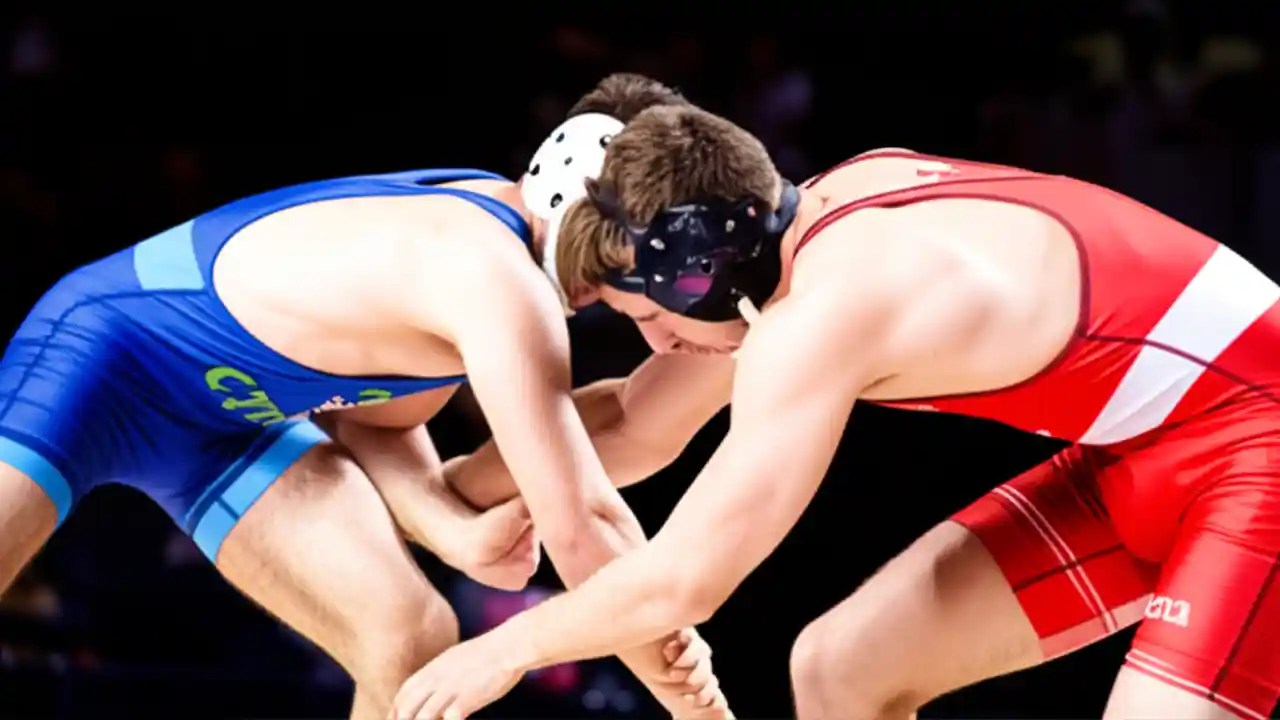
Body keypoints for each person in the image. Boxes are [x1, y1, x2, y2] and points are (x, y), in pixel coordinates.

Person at [393, 75, 1280, 720]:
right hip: (1146, 454)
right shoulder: (810, 229)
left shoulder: (826, 315)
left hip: (1261, 446)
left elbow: (687, 579)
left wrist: (499, 651)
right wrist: (428, 499)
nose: (658, 344)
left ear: (700, 272)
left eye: (649, 317)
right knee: (841, 670)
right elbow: (632, 419)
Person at [0, 78, 726, 719]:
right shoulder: (492, 275)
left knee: (409, 637)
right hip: (104, 355)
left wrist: (448, 528)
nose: (623, 289)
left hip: (229, 424)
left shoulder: (501, 272)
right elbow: (582, 527)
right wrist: (687, 698)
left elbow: (375, 424)